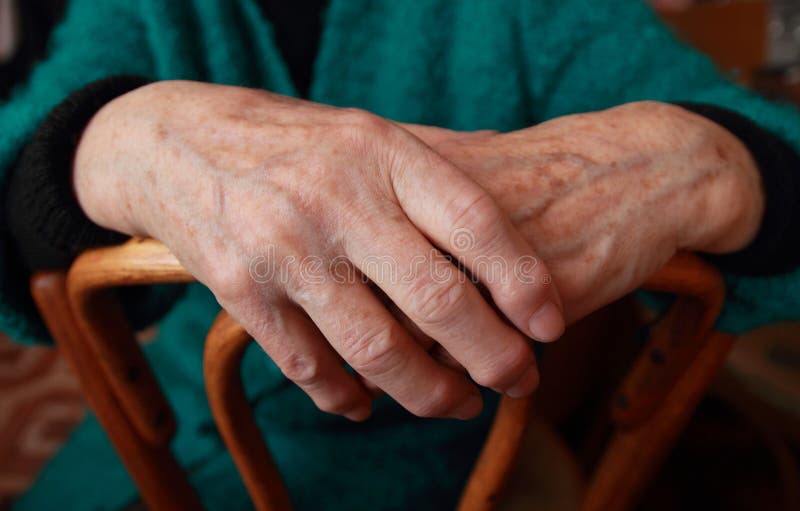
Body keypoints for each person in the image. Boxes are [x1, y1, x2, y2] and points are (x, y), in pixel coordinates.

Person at [1, 0, 799, 509]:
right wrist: (113, 140)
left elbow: (763, 145)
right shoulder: (140, 9)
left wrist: (709, 163)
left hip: (421, 459)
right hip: (151, 430)